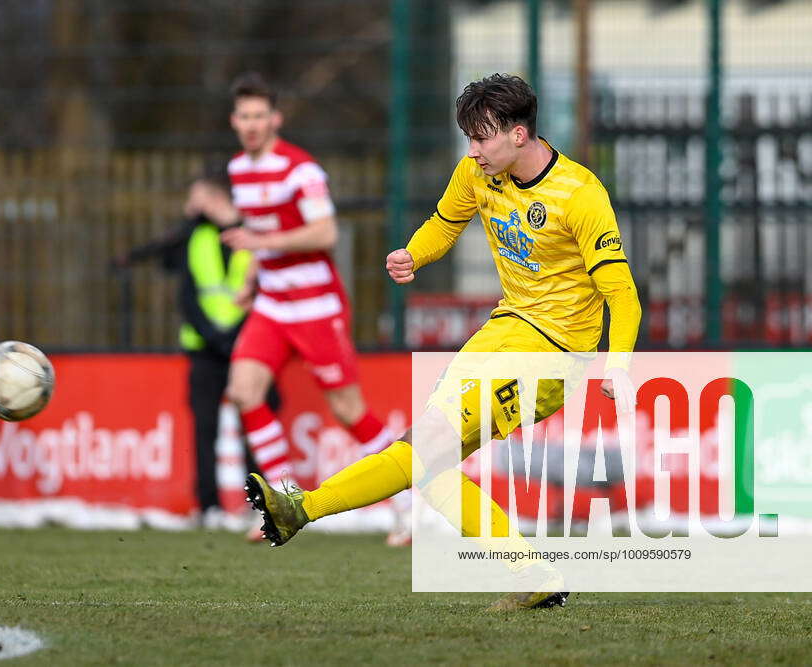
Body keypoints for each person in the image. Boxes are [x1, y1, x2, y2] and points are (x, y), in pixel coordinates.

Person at [243, 74, 642, 609]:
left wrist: (618, 364)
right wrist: (415, 253)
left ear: (519, 134)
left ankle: (301, 510)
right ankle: (533, 573)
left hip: (552, 355)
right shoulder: (478, 174)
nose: (472, 151)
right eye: (469, 140)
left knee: (425, 446)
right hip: (503, 330)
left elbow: (623, 292)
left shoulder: (580, 194)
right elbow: (444, 221)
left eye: (482, 139)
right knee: (428, 465)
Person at [188, 72, 395, 513]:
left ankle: (408, 501)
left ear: (275, 119)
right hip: (272, 307)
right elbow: (260, 235)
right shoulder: (238, 170)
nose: (252, 124)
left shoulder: (301, 169)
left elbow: (325, 233)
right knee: (244, 391)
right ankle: (284, 502)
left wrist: (260, 244)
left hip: (316, 305)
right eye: (244, 116)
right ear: (234, 121)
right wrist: (250, 282)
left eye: (260, 115)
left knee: (348, 410)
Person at [114, 172, 274, 531]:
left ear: (215, 195)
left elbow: (266, 286)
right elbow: (184, 290)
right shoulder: (195, 235)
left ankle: (261, 504)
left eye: (197, 196)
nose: (192, 203)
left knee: (257, 421)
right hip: (204, 348)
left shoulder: (255, 235)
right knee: (205, 428)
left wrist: (235, 335)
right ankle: (209, 506)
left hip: (250, 344)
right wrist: (215, 336)